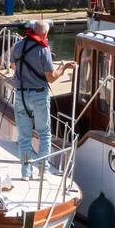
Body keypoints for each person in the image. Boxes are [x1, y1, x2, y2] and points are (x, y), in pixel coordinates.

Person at [11, 21, 73, 180]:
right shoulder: (44, 50)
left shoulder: (18, 46)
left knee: (24, 137)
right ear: (44, 34)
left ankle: (25, 172)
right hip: (39, 95)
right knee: (44, 134)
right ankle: (42, 170)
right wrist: (64, 67)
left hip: (21, 95)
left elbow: (13, 67)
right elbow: (51, 78)